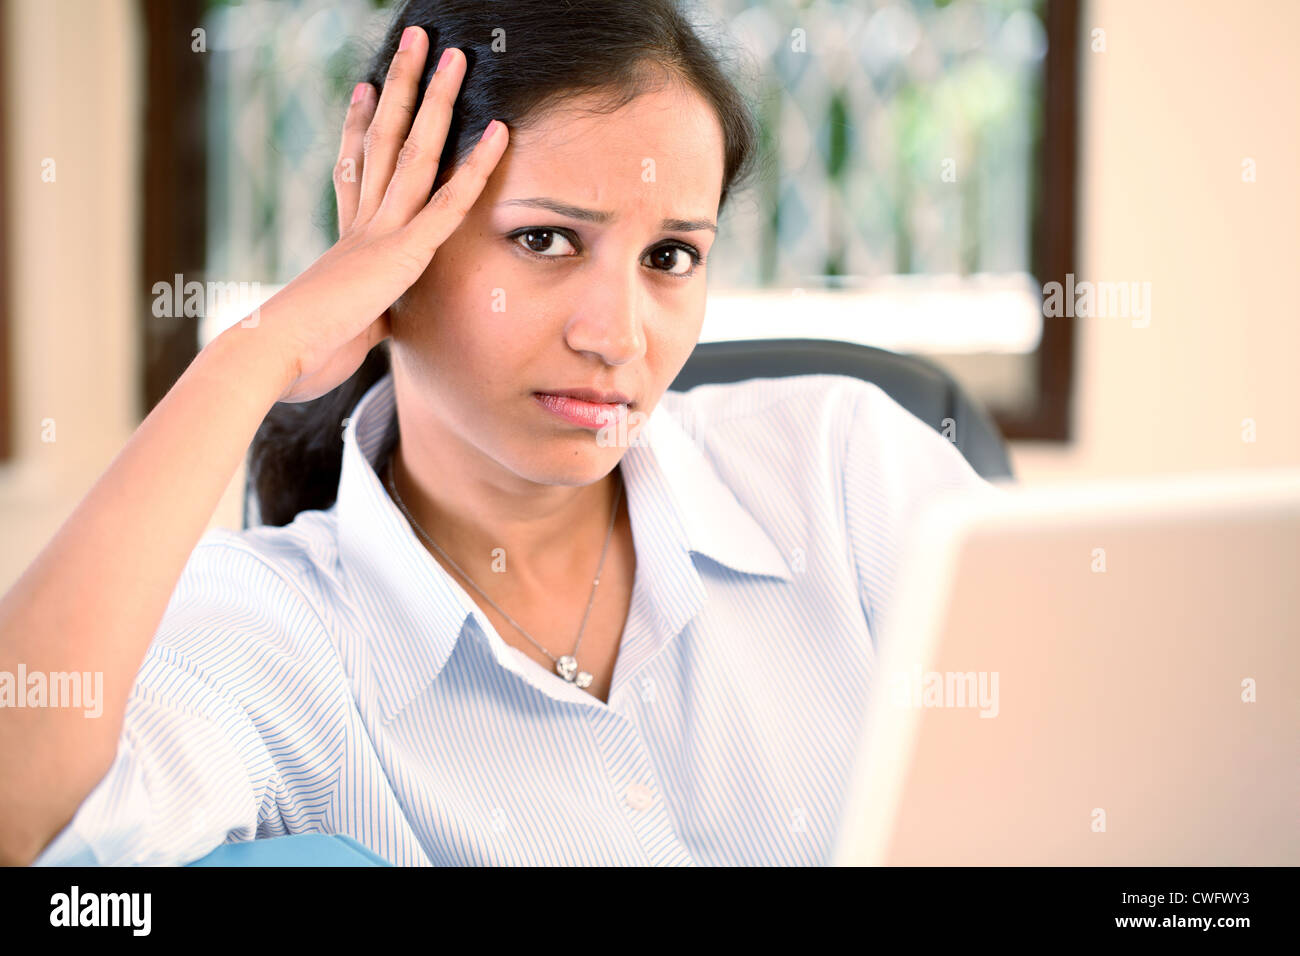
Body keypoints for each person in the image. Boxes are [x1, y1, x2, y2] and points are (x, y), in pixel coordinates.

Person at [0, 0, 992, 867]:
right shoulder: (285, 629)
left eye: (671, 254)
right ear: (397, 253)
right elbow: (19, 814)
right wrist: (255, 355)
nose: (614, 335)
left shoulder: (845, 466)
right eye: (545, 240)